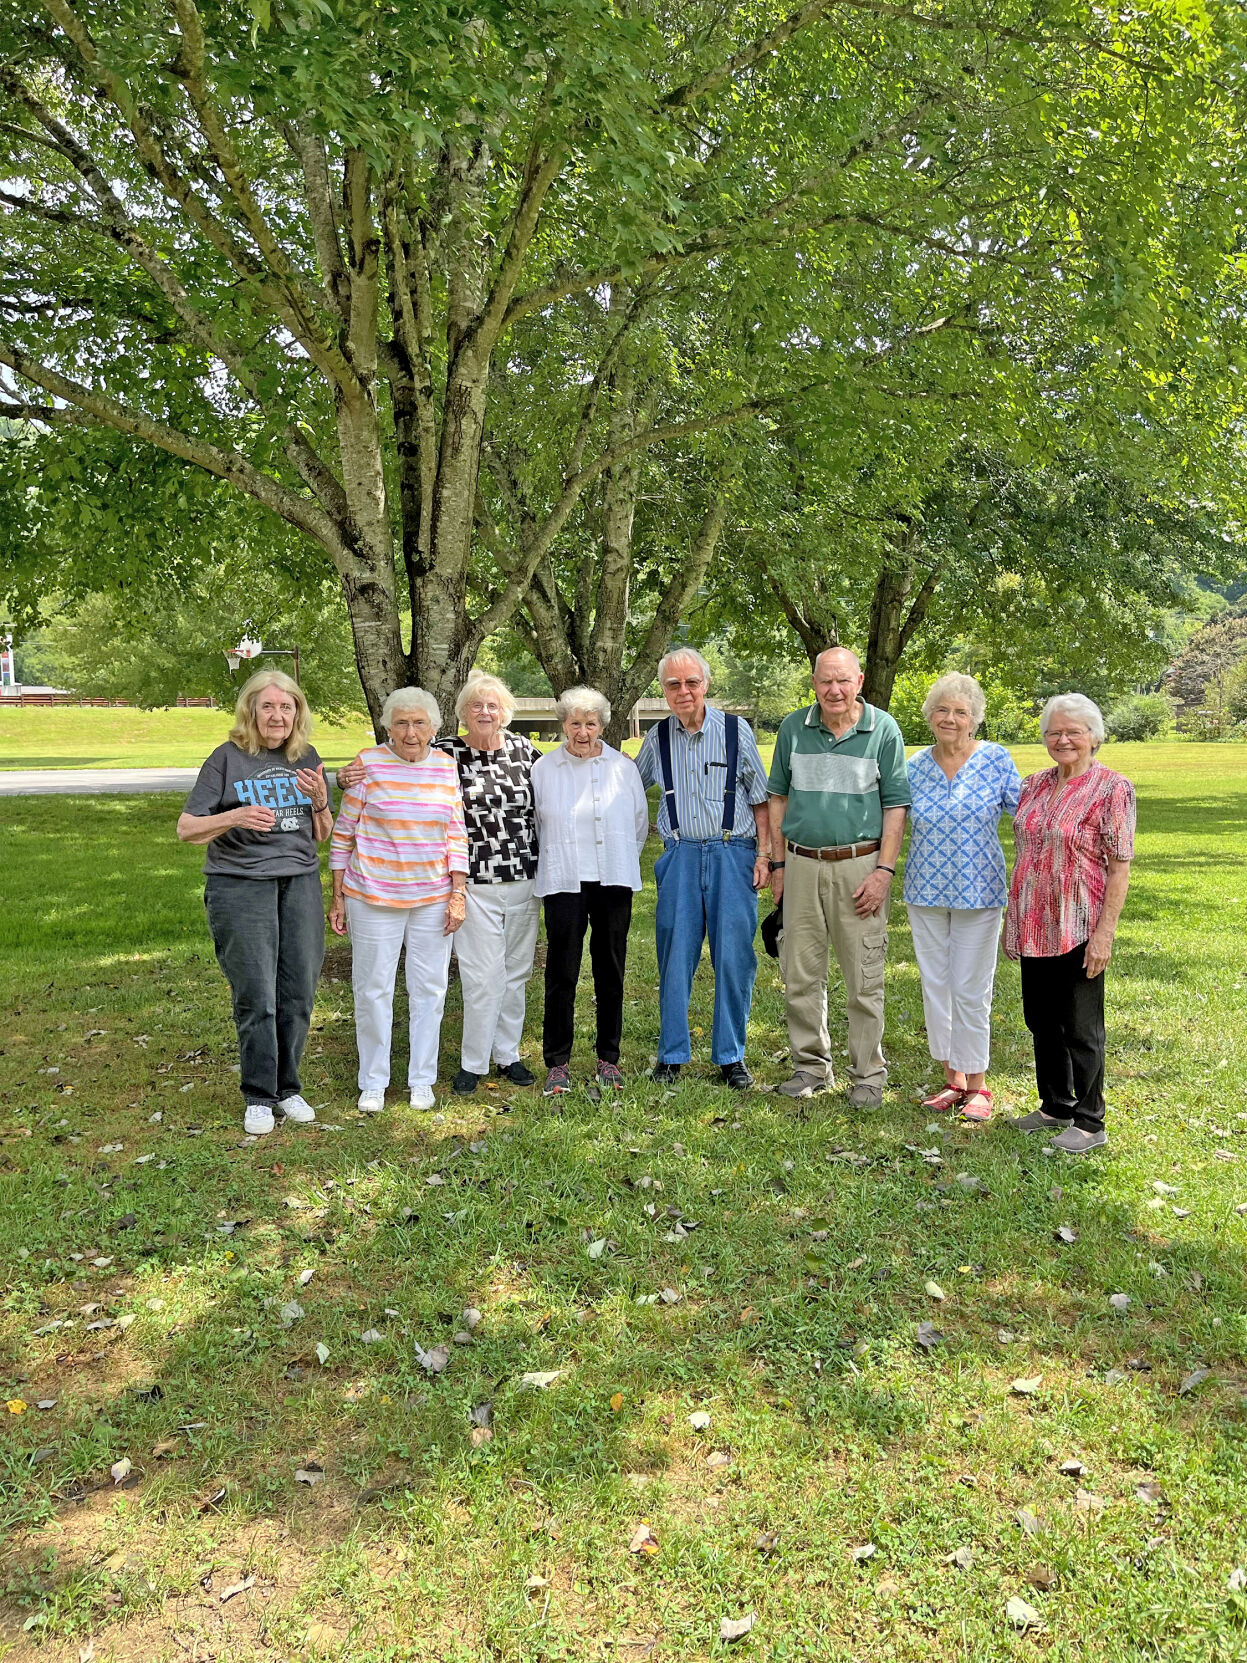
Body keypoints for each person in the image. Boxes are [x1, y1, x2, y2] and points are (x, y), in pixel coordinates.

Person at [338, 670, 541, 1096]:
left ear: (506, 710)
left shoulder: (523, 752)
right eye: (475, 705)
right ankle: (433, 1070)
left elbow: (556, 795)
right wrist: (341, 776)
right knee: (472, 976)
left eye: (493, 704)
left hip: (512, 876)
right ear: (460, 714)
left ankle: (489, 1059)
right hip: (435, 885)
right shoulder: (438, 754)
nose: (485, 711)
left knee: (505, 974)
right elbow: (350, 818)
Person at [177, 670, 332, 1137]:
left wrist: (323, 803)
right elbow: (186, 828)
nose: (277, 716)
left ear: (297, 714)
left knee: (299, 990)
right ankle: (259, 1094)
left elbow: (320, 834)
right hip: (240, 885)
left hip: (299, 883)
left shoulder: (306, 757)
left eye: (287, 708)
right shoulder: (226, 760)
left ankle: (288, 1087)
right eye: (268, 707)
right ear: (251, 710)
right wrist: (236, 815)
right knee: (257, 994)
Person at [767, 647, 910, 1105]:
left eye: (843, 681)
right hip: (802, 864)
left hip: (860, 866)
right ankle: (810, 1068)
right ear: (814, 683)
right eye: (826, 681)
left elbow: (895, 806)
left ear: (860, 681)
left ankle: (868, 1074)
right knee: (800, 972)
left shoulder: (883, 729)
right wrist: (778, 864)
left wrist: (884, 871)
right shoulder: (793, 728)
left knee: (863, 975)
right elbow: (778, 800)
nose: (835, 690)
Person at [1004, 693, 1135, 1153]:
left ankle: (1090, 1120)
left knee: (1080, 1026)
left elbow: (1119, 865)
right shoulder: (1034, 784)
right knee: (1041, 1019)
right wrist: (1012, 917)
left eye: (1073, 732)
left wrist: (1105, 934)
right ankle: (1055, 1104)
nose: (1063, 740)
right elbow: (1025, 852)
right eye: (1054, 732)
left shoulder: (1111, 788)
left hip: (1079, 924)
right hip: (1033, 920)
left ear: (1094, 737)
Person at [635, 648, 771, 1088]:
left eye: (691, 682)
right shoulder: (656, 738)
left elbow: (761, 798)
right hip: (680, 856)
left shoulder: (736, 731)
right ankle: (671, 1054)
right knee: (674, 956)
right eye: (673, 685)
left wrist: (767, 855)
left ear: (706, 684)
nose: (683, 691)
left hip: (734, 854)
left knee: (734, 957)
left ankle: (731, 1055)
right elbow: (628, 792)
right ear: (664, 691)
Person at [328, 688, 468, 1112]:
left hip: (432, 895)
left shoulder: (446, 767)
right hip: (372, 895)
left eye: (420, 722)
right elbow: (343, 832)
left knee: (430, 988)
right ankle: (373, 1081)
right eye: (402, 723)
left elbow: (455, 833)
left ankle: (421, 1079)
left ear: (434, 728)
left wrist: (458, 893)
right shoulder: (366, 765)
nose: (411, 732)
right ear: (388, 726)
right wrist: (336, 896)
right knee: (372, 989)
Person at [904, 673, 1022, 1123]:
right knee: (936, 985)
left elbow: (1024, 814)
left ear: (974, 720)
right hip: (925, 889)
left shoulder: (994, 759)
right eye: (942, 710)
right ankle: (951, 1078)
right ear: (930, 716)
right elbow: (892, 819)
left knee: (972, 988)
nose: (950, 718)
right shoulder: (914, 766)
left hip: (981, 889)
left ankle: (978, 1084)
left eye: (960, 712)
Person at [532, 687, 650, 1096]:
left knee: (610, 969)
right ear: (563, 724)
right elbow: (535, 825)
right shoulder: (544, 769)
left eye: (591, 723)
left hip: (613, 879)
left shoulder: (622, 768)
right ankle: (558, 1061)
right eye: (575, 723)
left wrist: (619, 860)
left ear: (603, 724)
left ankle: (608, 1058)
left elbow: (639, 823)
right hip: (564, 881)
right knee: (561, 972)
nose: (583, 732)